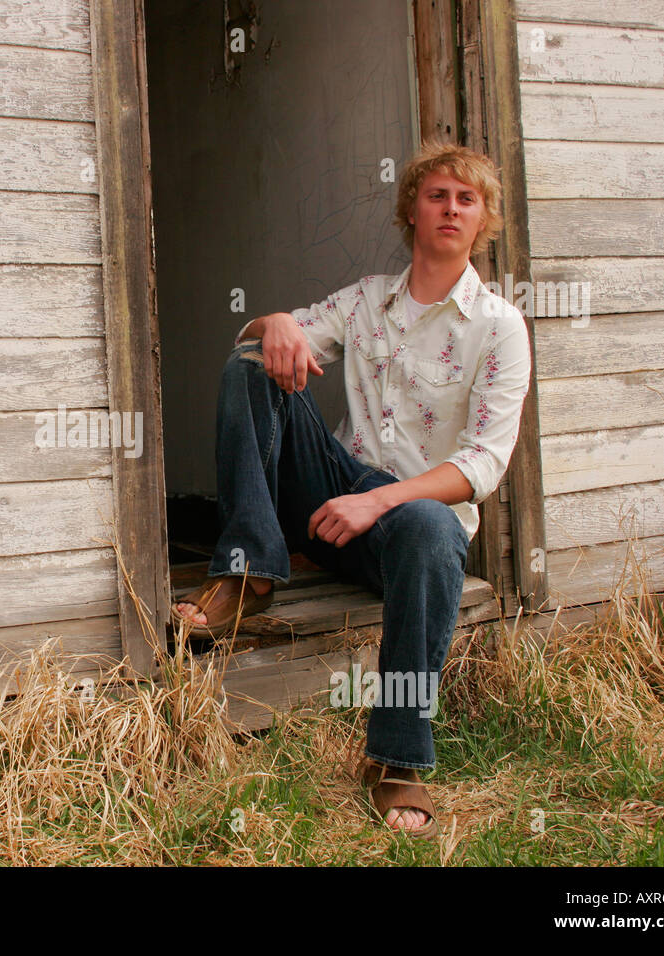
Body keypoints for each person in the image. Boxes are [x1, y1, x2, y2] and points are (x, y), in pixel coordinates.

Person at [172, 141, 533, 838]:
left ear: (482, 218)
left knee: (432, 524)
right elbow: (279, 343)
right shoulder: (368, 299)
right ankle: (248, 571)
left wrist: (383, 500)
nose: (450, 208)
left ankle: (396, 759)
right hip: (336, 496)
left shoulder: (498, 326)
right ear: (413, 210)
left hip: (409, 520)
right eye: (437, 195)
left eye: (467, 198)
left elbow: (484, 466)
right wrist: (271, 322)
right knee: (252, 364)